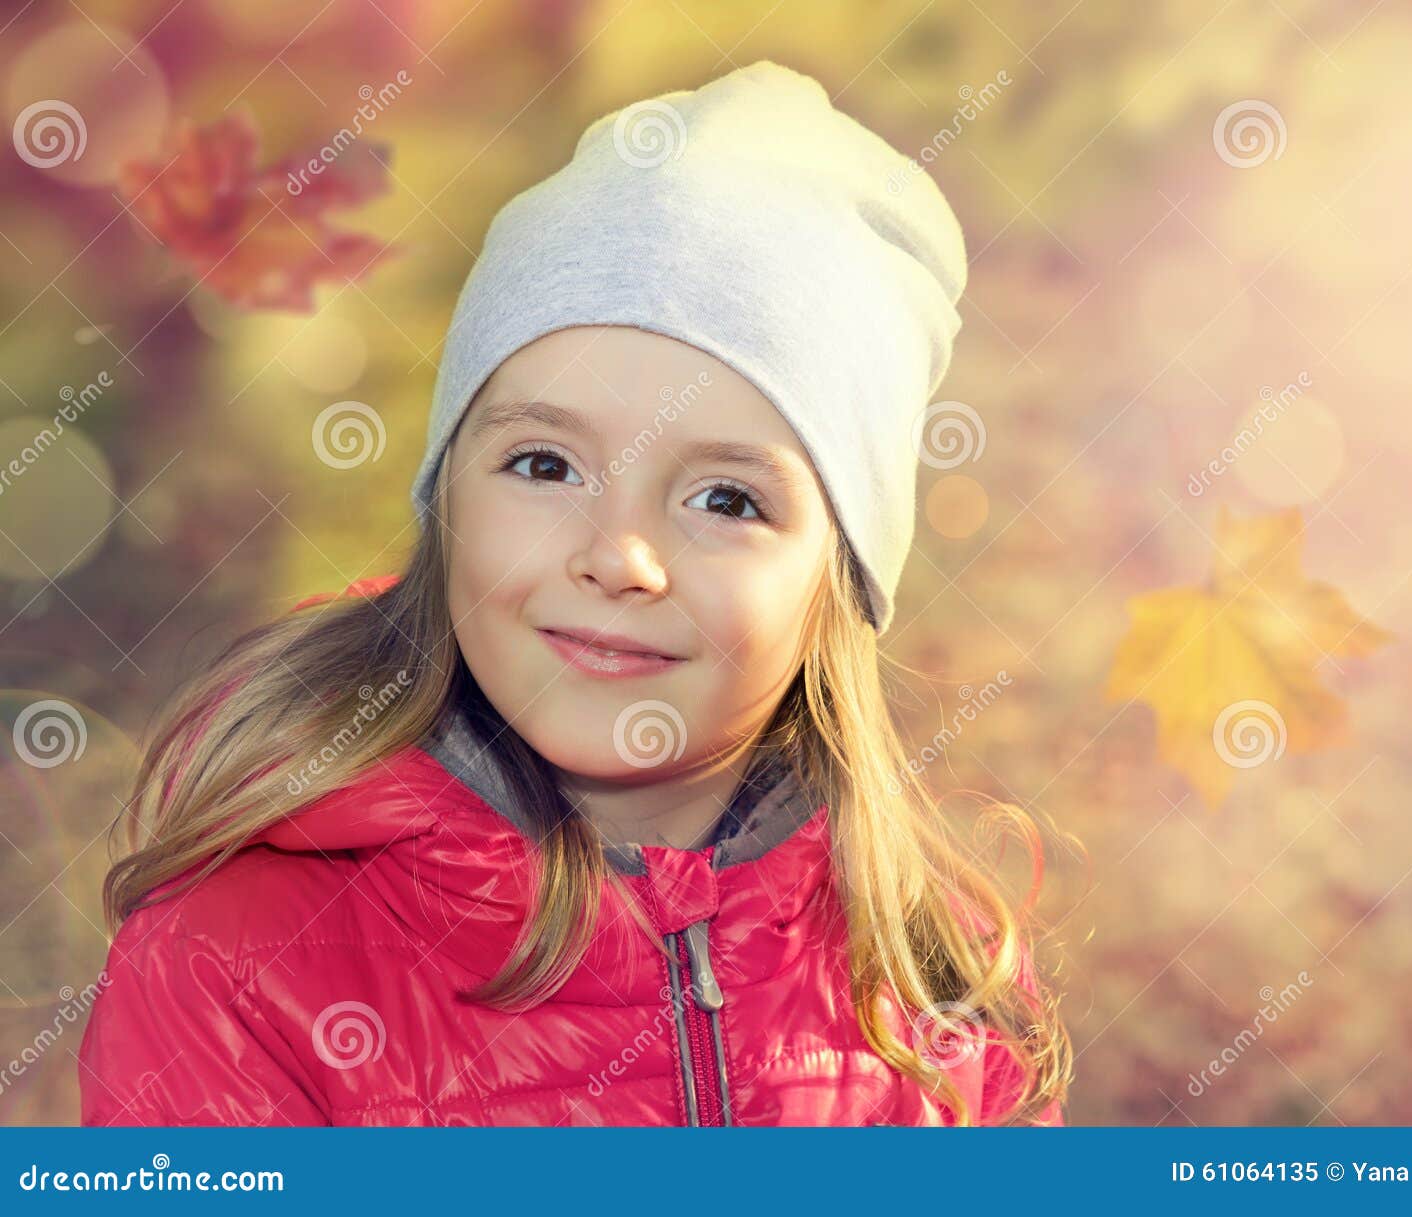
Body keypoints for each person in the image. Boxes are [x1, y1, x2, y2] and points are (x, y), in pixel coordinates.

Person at [78, 59, 1070, 1127]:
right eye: (546, 466)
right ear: (447, 497)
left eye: (728, 497)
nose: (619, 555)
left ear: (840, 580)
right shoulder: (237, 968)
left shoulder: (933, 984)